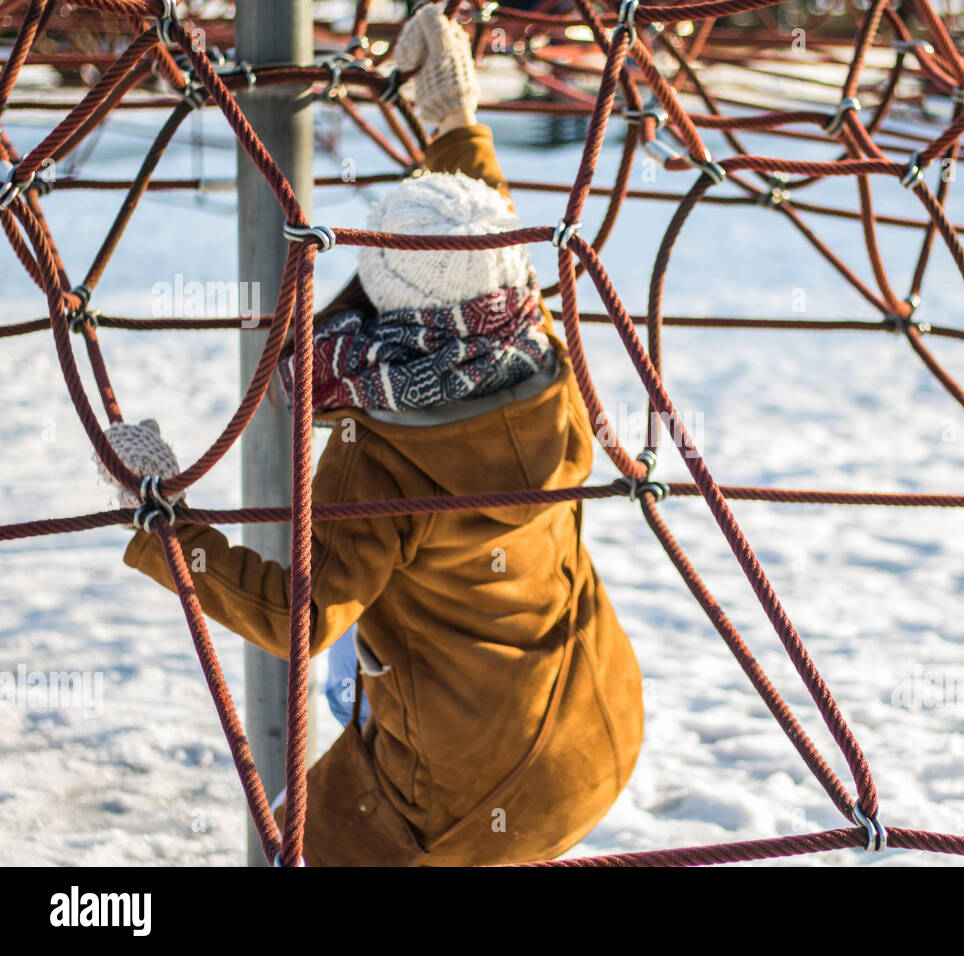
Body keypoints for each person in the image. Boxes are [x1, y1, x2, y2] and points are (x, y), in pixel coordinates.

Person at [100, 5, 643, 866]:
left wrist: (169, 525)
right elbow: (479, 233)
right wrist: (454, 119)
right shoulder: (534, 345)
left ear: (401, 312)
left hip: (466, 790)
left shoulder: (385, 456)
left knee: (303, 848)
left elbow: (303, 617)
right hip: (597, 719)